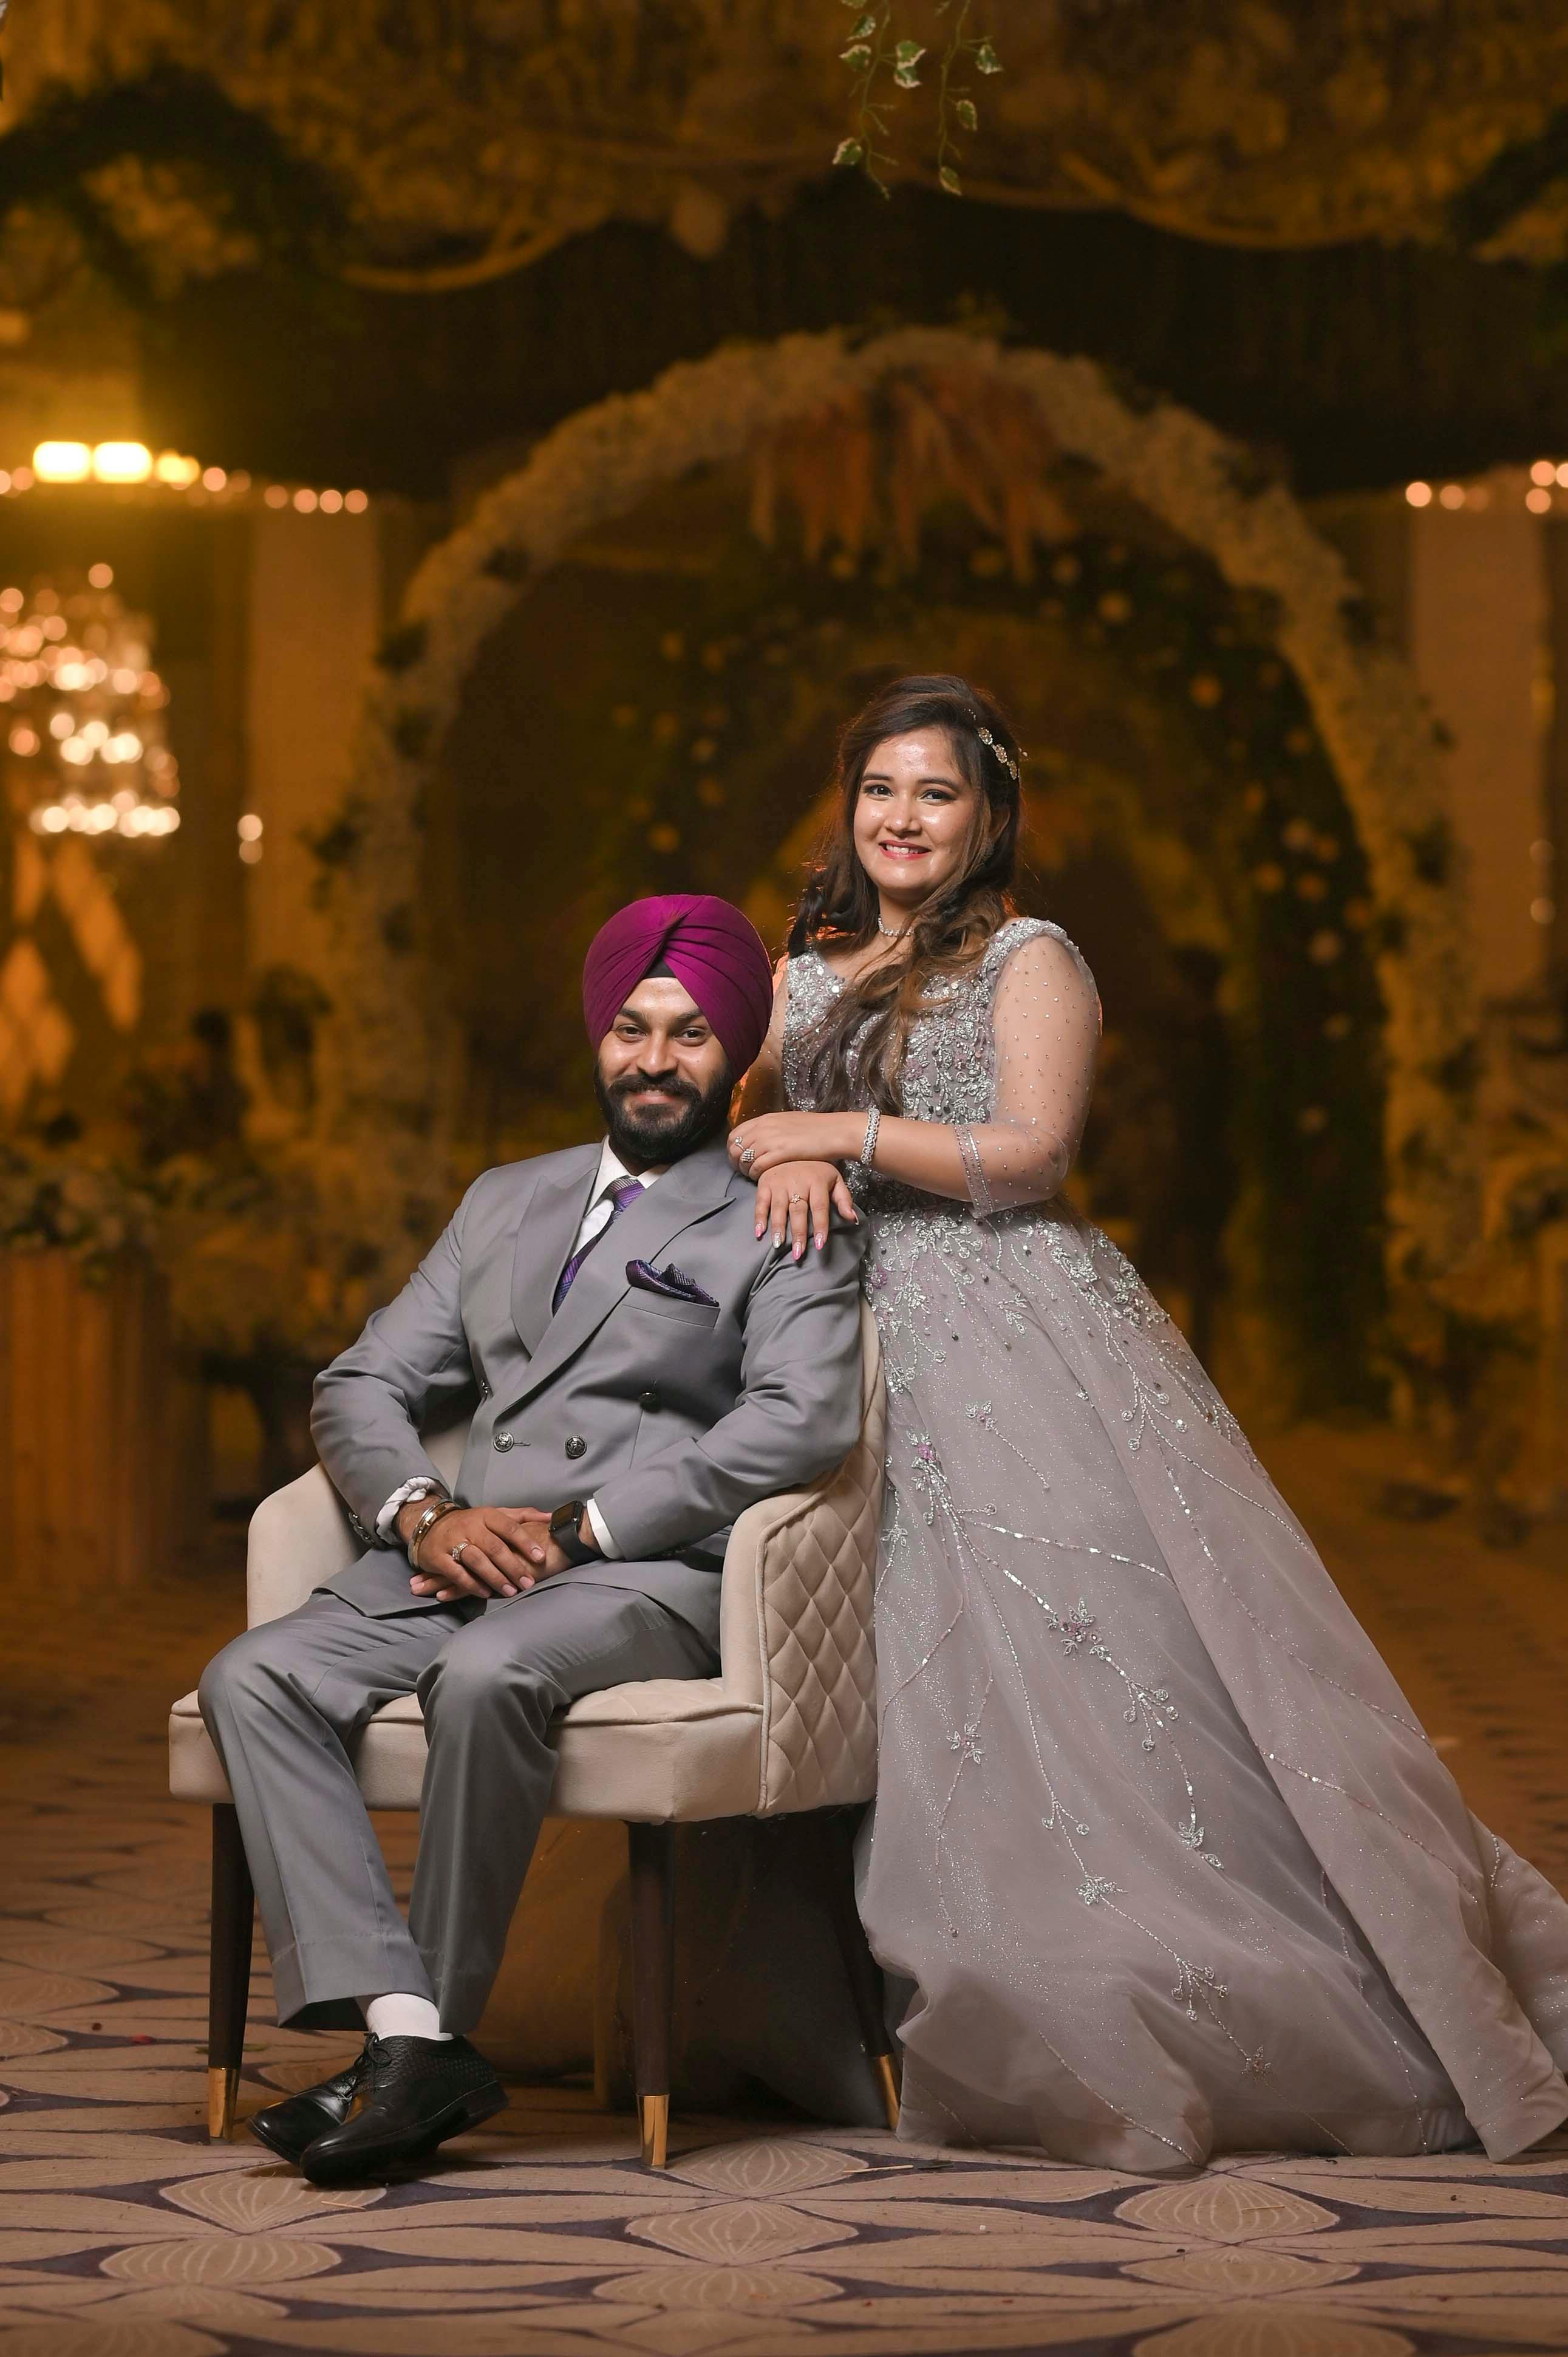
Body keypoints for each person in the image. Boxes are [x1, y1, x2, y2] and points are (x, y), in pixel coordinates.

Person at [728, 672, 1568, 2171]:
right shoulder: (801, 970)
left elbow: (1030, 1154)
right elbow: (732, 1112)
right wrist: (774, 1153)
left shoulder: (1031, 957)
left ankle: (1162, 1976)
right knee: (838, 1661)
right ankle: (811, 1998)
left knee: (1081, 1661)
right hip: (826, 1336)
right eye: (878, 790)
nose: (901, 818)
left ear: (987, 815)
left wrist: (832, 1132)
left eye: (935, 793)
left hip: (1007, 1326)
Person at [199, 893, 866, 2184]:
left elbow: (801, 1421)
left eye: (688, 1035)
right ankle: (410, 2033)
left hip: (642, 1573)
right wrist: (423, 1512)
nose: (653, 1060)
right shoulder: (505, 1198)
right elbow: (361, 1382)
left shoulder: (779, 1209)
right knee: (254, 1674)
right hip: (459, 1557)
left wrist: (585, 1526)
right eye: (630, 1029)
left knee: (487, 1671)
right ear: (597, 1036)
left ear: (734, 1054)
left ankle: (423, 2037)